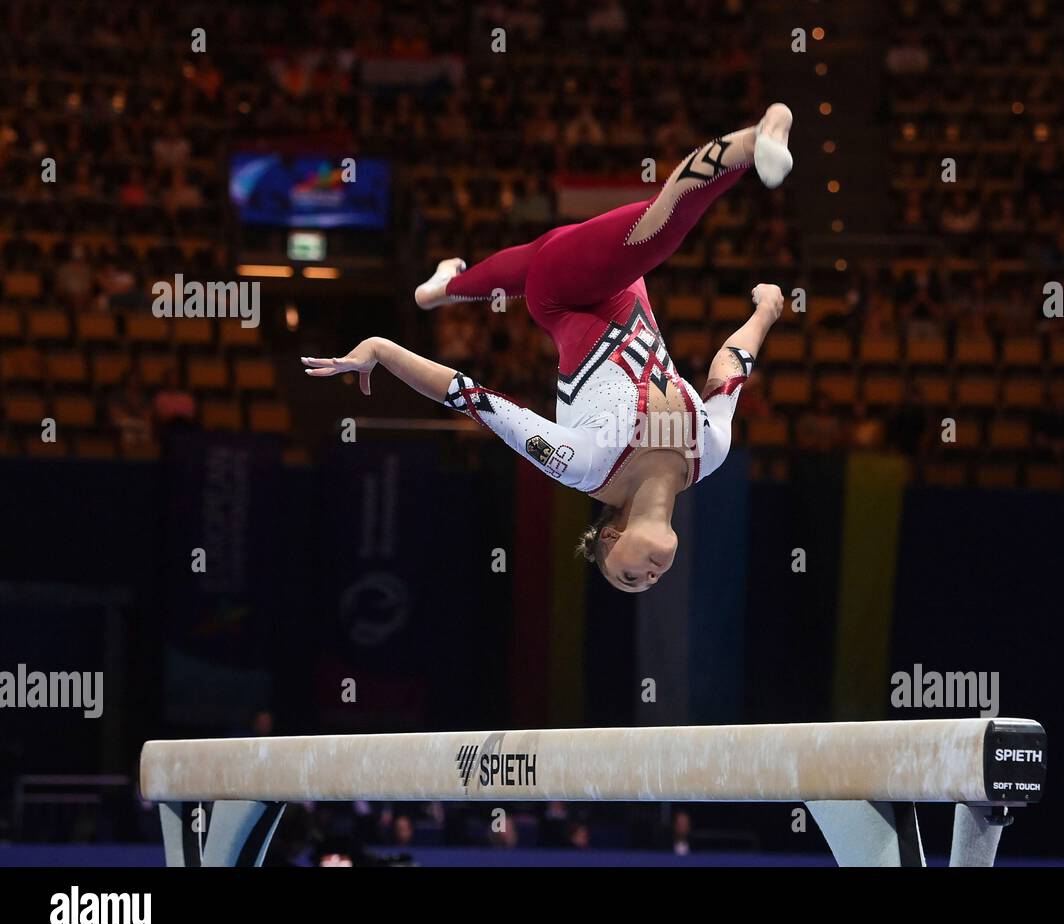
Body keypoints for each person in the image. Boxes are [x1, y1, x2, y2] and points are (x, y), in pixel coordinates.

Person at [304, 104, 795, 593]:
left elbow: (475, 400)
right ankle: (444, 287)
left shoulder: (582, 464)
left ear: (609, 537)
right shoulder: (706, 455)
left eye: (627, 576)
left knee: (659, 227)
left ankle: (753, 141)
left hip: (566, 296)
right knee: (550, 253)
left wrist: (382, 350)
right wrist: (765, 313)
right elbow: (730, 374)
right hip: (616, 285)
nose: (648, 577)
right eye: (648, 582)